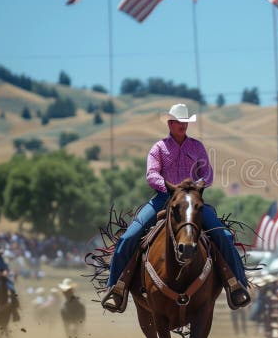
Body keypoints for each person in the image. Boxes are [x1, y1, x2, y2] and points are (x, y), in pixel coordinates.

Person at [101, 103, 250, 313]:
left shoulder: (197, 147)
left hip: (191, 200)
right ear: (170, 124)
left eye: (185, 122)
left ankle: (237, 285)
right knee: (129, 237)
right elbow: (151, 174)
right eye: (179, 122)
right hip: (164, 198)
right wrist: (171, 188)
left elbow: (207, 173)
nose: (183, 126)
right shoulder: (159, 148)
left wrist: (197, 185)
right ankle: (116, 288)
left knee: (224, 236)